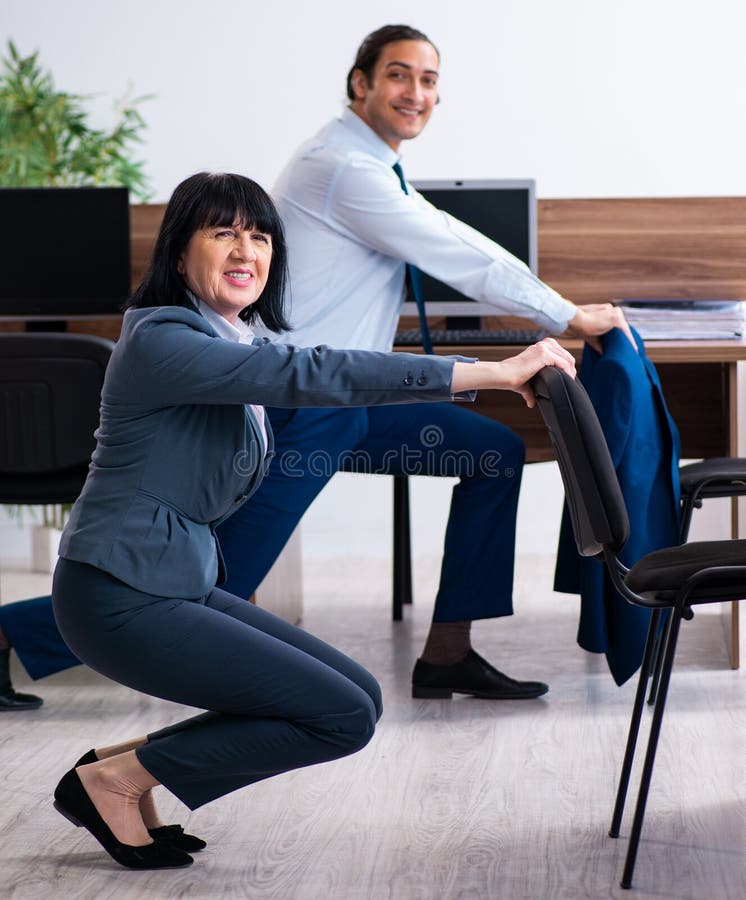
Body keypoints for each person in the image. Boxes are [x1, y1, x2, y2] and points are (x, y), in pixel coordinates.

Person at [50, 171, 576, 870]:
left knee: (359, 696)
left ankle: (116, 772)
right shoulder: (164, 340)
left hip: (173, 582)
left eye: (261, 236)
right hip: (120, 593)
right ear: (178, 252)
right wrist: (492, 372)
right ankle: (116, 783)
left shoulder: (232, 338)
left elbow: (305, 373)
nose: (247, 251)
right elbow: (318, 373)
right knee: (340, 717)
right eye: (224, 233)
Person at [215, 24, 633, 701]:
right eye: (399, 75)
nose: (416, 92)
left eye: (429, 80)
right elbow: (453, 248)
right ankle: (34, 637)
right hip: (307, 403)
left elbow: (439, 231)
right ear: (361, 84)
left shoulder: (372, 167)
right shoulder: (342, 168)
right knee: (212, 588)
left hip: (350, 399)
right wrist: (568, 316)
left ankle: (447, 655)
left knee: (493, 454)